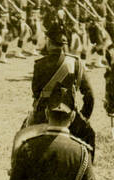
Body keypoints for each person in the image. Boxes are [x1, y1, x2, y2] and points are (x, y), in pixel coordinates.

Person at [29, 8, 96, 152]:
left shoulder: (40, 65)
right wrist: (83, 117)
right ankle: (87, 170)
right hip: (69, 117)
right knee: (90, 135)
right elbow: (90, 95)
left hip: (43, 117)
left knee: (21, 138)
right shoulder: (76, 63)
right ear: (64, 44)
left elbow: (35, 92)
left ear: (49, 42)